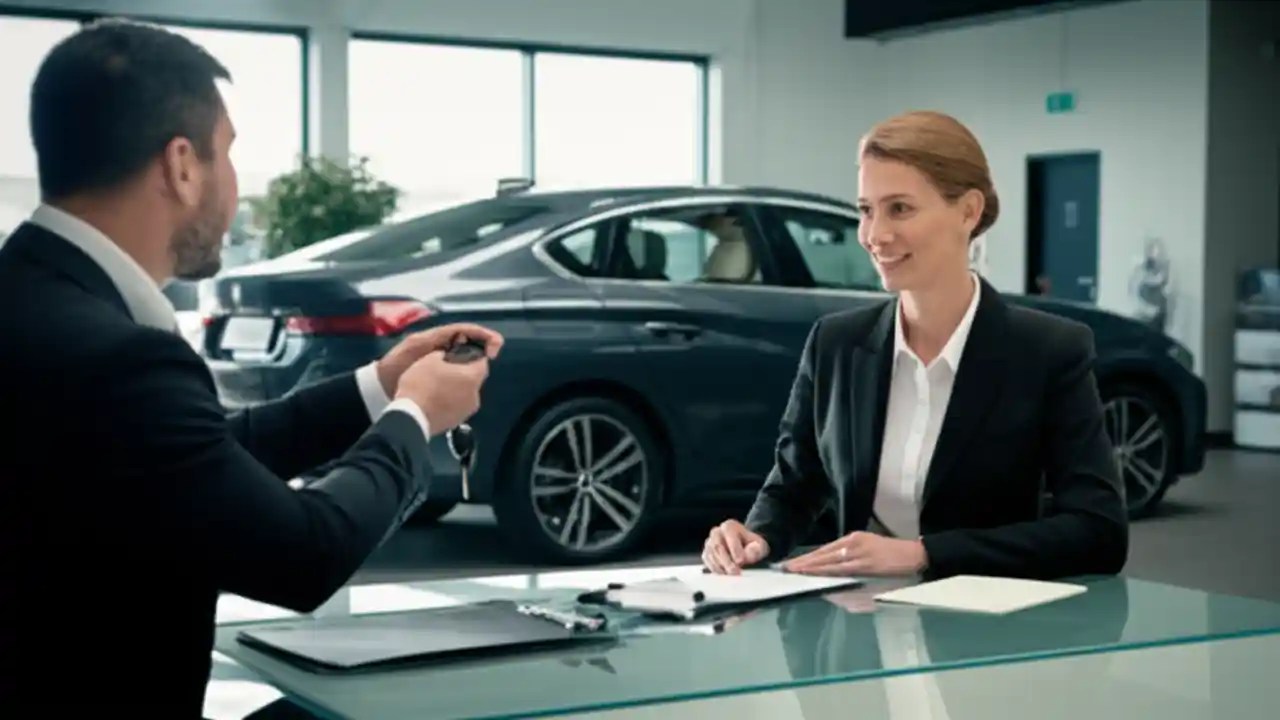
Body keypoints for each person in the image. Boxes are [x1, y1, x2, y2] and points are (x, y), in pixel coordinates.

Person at [0, 19, 501, 714]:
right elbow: (305, 553)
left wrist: (380, 384)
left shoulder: (31, 300)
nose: (236, 185)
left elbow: (202, 457)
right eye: (227, 154)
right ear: (181, 166)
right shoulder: (114, 358)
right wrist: (416, 415)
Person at [702, 110, 1128, 581]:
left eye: (899, 209)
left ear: (968, 212)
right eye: (867, 209)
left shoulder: (1048, 351)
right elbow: (794, 486)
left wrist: (923, 554)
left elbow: (1099, 532)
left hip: (991, 634)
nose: (874, 235)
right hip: (859, 631)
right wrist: (755, 536)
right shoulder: (836, 345)